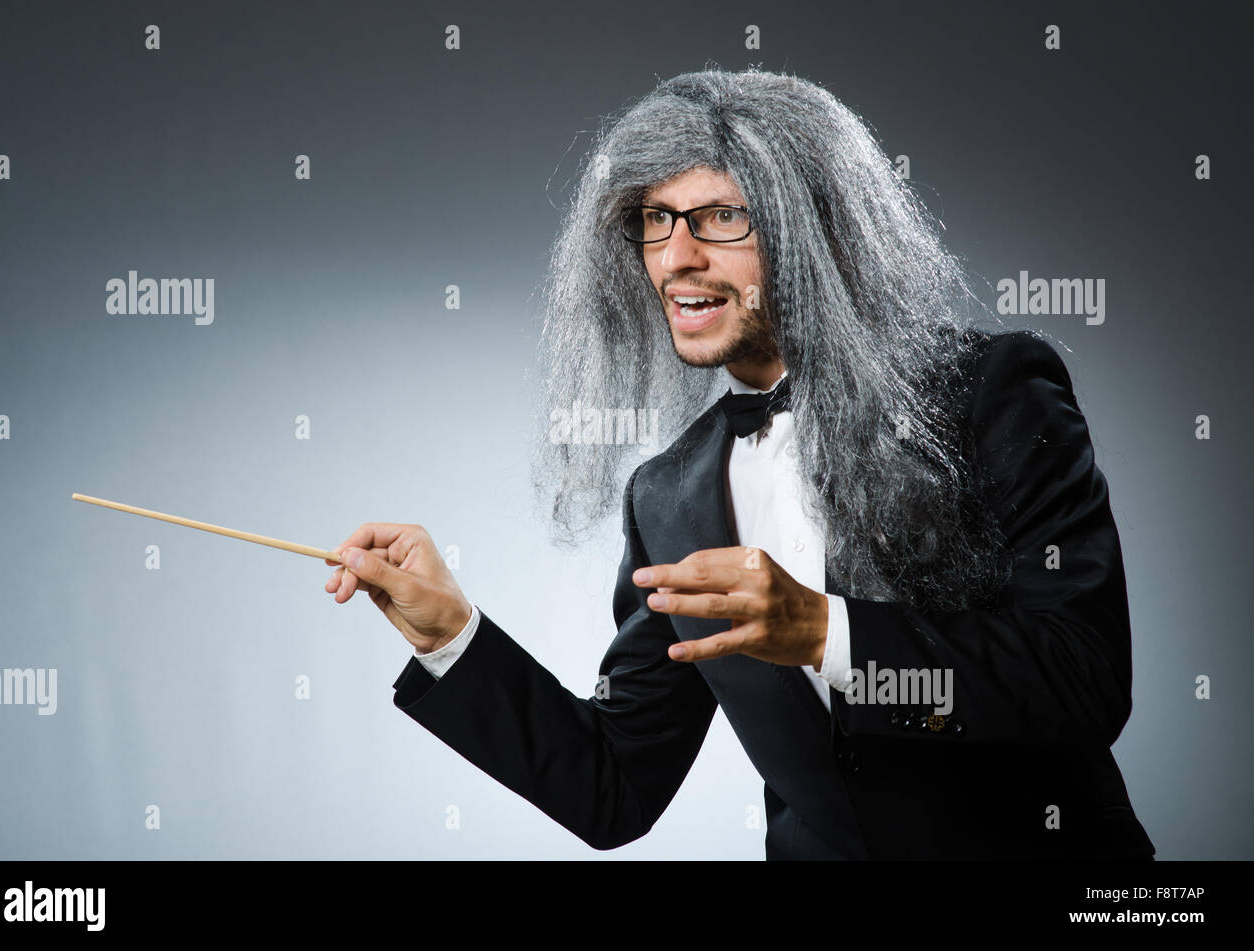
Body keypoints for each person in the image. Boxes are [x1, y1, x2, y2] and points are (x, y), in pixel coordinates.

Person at [323, 68, 1155, 860]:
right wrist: (453, 636)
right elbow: (613, 784)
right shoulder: (667, 500)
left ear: (813, 228)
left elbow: (1085, 677)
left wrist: (825, 632)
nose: (675, 257)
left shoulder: (991, 390)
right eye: (655, 219)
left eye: (721, 217)